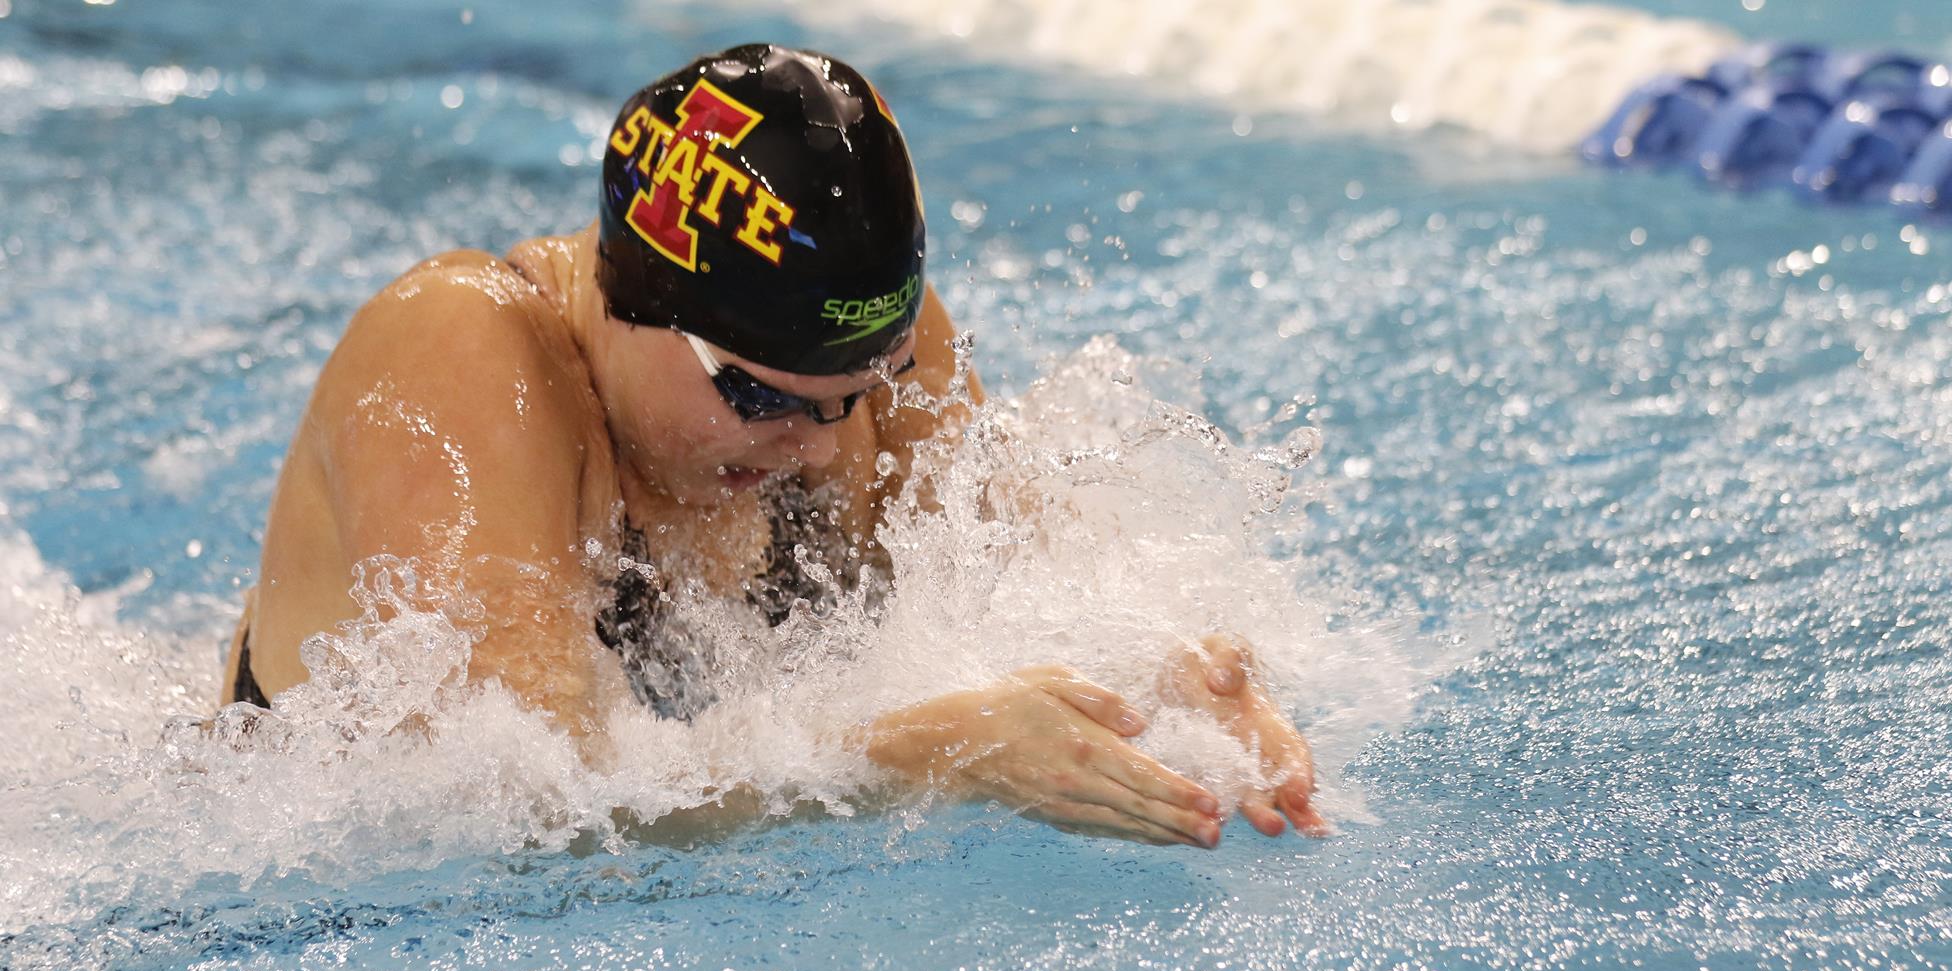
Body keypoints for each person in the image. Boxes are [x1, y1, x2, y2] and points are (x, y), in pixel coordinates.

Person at [222, 43, 1325, 846]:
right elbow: (524, 815)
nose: (810, 442)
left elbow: (1025, 571)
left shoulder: (860, 364)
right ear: (628, 298)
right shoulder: (462, 352)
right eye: (755, 396)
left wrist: (1166, 671)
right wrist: (903, 751)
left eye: (853, 394)